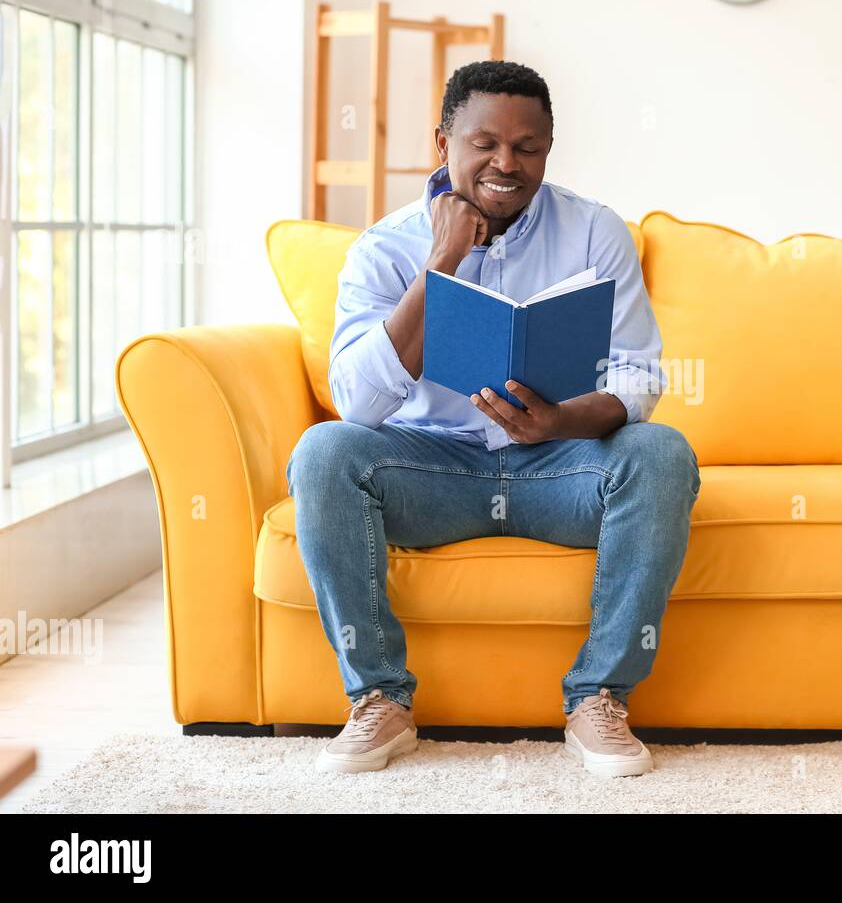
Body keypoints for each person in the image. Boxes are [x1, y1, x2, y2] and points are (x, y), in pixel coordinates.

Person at [286, 60, 699, 778]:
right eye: (485, 143)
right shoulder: (384, 248)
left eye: (528, 147)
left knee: (662, 452)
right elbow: (357, 403)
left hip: (556, 470)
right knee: (323, 452)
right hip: (430, 472)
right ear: (442, 141)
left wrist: (561, 420)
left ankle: (599, 696)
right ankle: (379, 698)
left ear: (547, 150)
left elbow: (637, 377)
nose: (507, 164)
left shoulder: (596, 231)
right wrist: (441, 263)